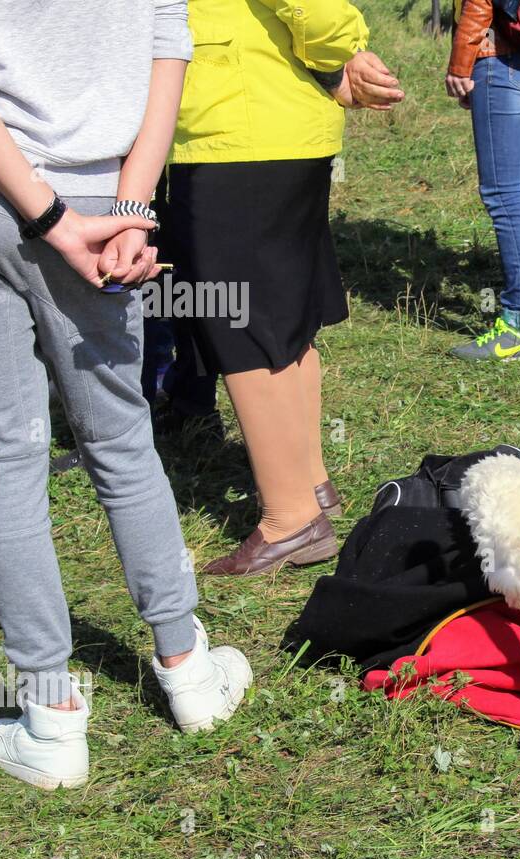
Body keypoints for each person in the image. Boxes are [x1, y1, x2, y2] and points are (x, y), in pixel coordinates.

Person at [0, 0, 253, 791]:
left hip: (12, 200)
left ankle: (48, 716)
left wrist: (50, 217)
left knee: (5, 454)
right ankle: (189, 673)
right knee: (120, 439)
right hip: (103, 201)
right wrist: (128, 208)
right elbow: (167, 43)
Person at [168, 0, 404, 576]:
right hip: (266, 123)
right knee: (284, 318)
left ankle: (290, 520)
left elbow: (315, 10)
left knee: (243, 327)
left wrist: (339, 55)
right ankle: (308, 486)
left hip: (240, 129)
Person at [446, 0, 520, 362]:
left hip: (498, 56)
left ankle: (519, 327)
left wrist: (460, 64)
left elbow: (479, 2)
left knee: (503, 192)